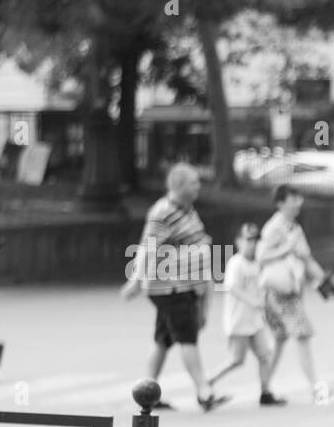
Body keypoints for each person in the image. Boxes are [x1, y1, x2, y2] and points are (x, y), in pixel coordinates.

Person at [121, 163, 225, 411]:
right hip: (171, 287)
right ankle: (204, 391)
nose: (198, 187)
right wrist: (135, 280)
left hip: (183, 285)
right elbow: (148, 246)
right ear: (179, 186)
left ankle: (148, 393)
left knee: (163, 339)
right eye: (194, 183)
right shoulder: (163, 211)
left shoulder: (187, 210)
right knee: (188, 337)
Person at [258, 187, 328, 402]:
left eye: (298, 197)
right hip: (279, 293)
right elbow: (261, 256)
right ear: (280, 203)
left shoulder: (294, 227)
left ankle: (265, 388)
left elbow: (306, 257)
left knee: (280, 340)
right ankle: (316, 386)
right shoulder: (274, 228)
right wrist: (286, 248)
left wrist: (322, 278)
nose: (298, 202)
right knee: (303, 334)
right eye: (292, 199)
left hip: (291, 291)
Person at [208, 224, 284, 405]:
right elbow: (232, 287)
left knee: (265, 355)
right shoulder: (236, 263)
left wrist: (270, 308)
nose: (252, 244)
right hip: (238, 321)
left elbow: (263, 289)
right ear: (239, 241)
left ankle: (266, 392)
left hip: (255, 321)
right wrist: (252, 301)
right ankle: (207, 382)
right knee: (236, 360)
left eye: (255, 240)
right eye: (248, 240)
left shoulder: (258, 264)